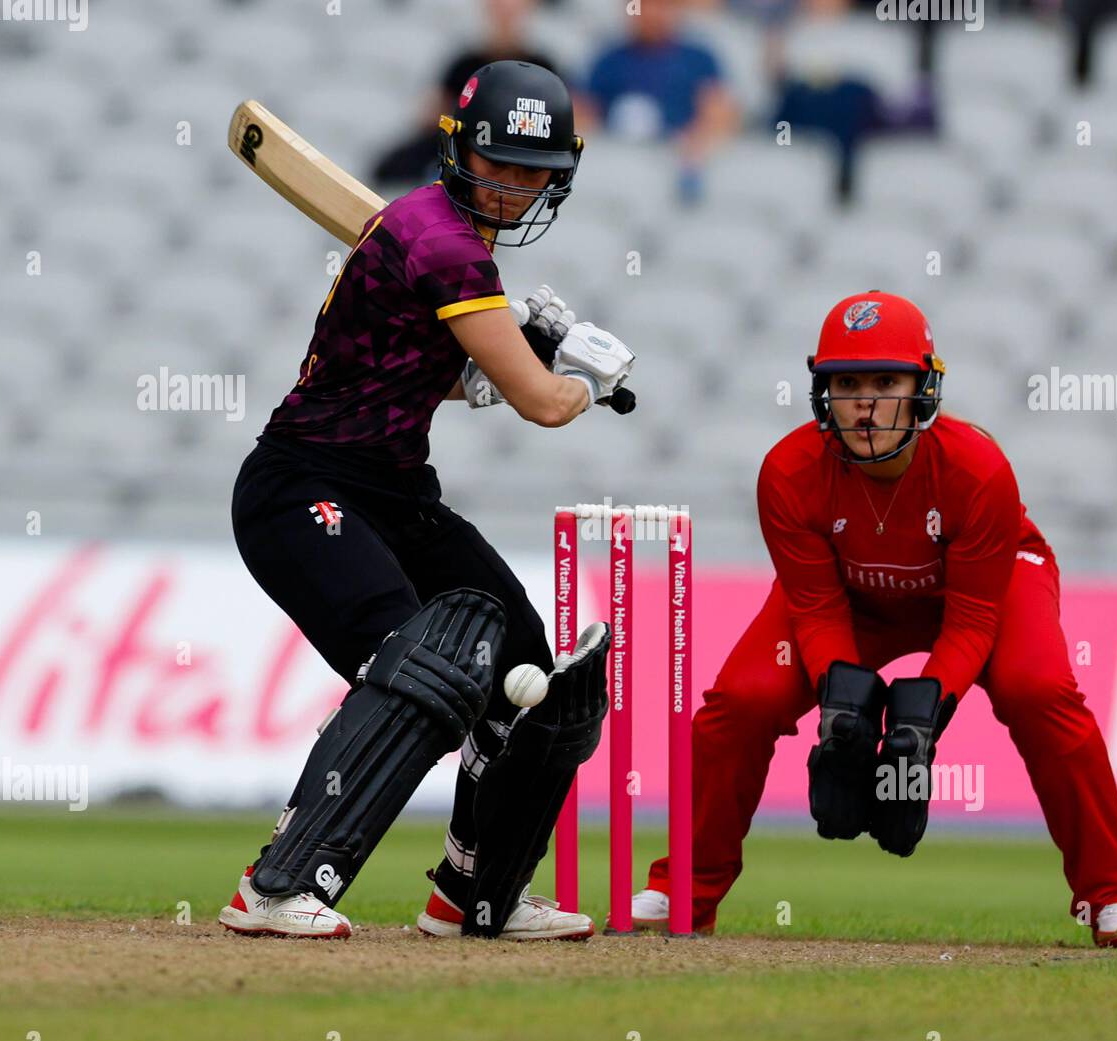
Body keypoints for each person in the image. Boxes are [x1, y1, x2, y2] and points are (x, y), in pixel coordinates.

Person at [218, 60, 636, 942]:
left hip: (394, 489)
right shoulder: (444, 245)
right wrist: (585, 375)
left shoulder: (438, 242)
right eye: (501, 164)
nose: (516, 187)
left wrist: (474, 370)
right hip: (304, 484)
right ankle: (275, 886)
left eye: (534, 171)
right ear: (460, 150)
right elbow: (543, 405)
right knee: (425, 672)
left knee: (537, 683)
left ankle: (473, 894)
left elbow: (400, 364)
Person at [626, 291, 1117, 950]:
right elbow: (817, 607)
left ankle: (1114, 895)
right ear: (823, 391)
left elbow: (972, 617)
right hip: (854, 595)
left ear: (923, 386)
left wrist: (919, 721)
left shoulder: (978, 470)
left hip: (980, 590)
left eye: (887, 381)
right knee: (742, 699)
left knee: (1038, 690)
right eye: (847, 383)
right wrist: (844, 710)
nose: (866, 402)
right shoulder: (788, 473)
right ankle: (686, 889)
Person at [372, 0, 558, 186]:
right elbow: (437, 112)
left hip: (516, 151)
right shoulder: (464, 63)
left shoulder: (542, 66)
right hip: (463, 145)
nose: (506, 12)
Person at [580, 0, 739, 202]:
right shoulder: (607, 61)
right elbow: (584, 115)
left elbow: (720, 114)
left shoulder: (700, 59)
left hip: (679, 162)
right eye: (644, 5)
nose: (652, 13)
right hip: (621, 162)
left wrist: (694, 142)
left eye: (662, 5)